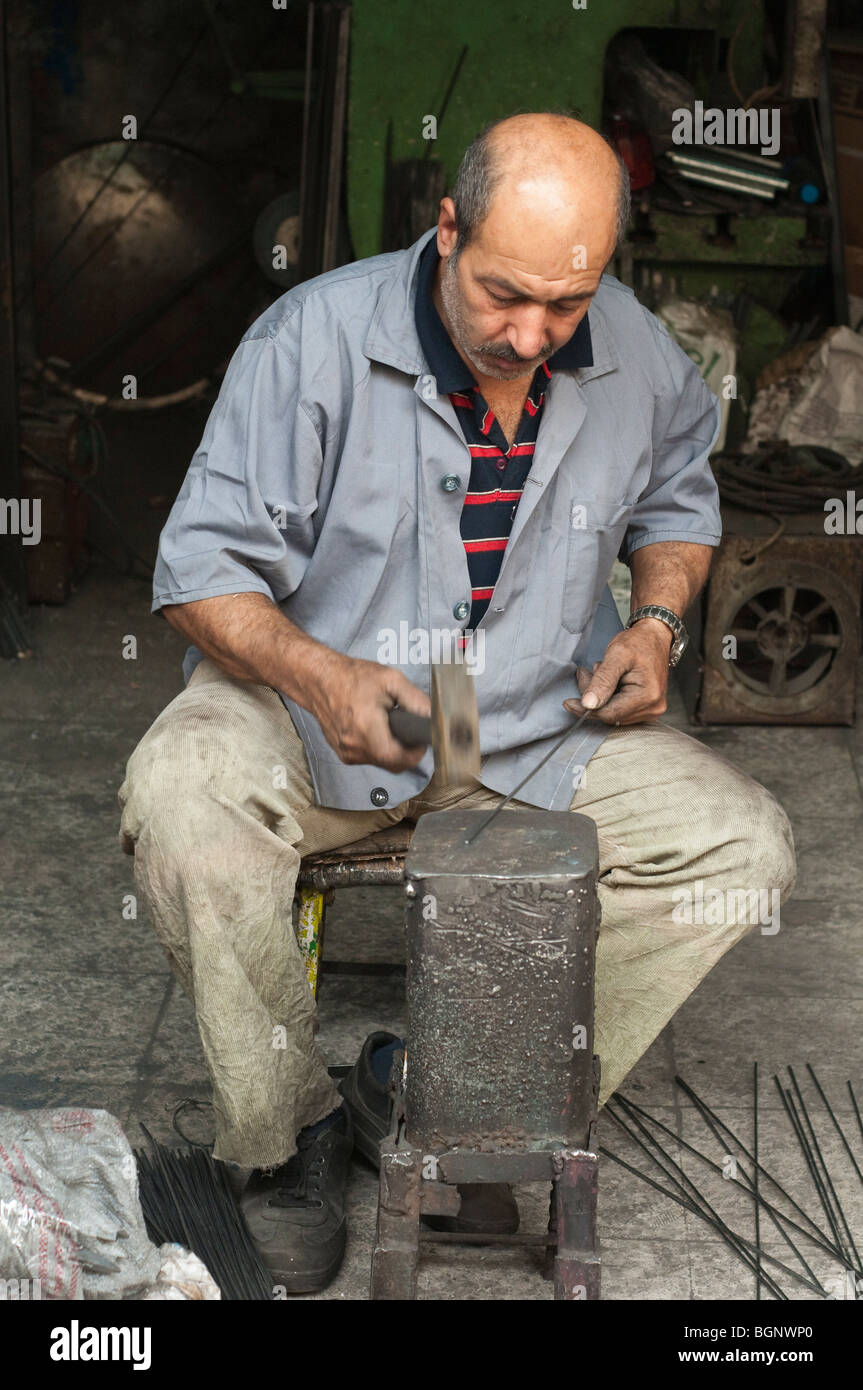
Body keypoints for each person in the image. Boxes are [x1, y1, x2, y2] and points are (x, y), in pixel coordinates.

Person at [118, 113, 796, 1293]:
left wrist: (656, 621)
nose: (528, 335)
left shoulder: (633, 351)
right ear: (445, 231)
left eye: (564, 306)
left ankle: (441, 1094)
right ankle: (290, 1135)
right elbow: (199, 571)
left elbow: (680, 500)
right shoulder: (309, 339)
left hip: (522, 718)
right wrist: (317, 675)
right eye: (501, 295)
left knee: (734, 843)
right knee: (182, 799)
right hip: (308, 706)